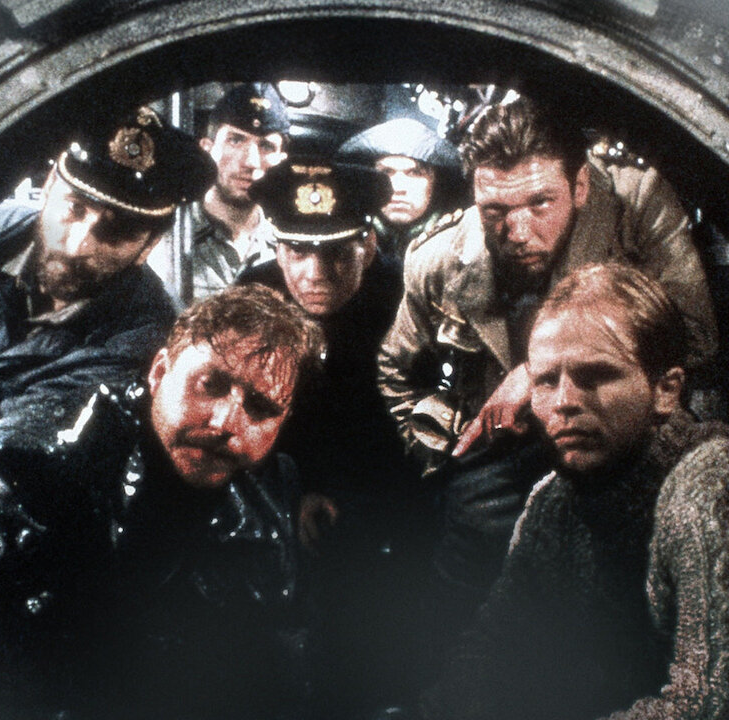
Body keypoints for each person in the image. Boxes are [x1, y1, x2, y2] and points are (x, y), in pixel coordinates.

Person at [0, 285, 325, 720]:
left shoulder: (264, 502)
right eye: (210, 384)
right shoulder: (27, 460)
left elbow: (273, 671)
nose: (225, 422)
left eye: (261, 407)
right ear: (160, 371)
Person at [377, 96, 718, 609]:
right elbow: (395, 369)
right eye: (495, 211)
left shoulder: (635, 207)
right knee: (462, 593)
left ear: (580, 186)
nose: (518, 233)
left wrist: (533, 371)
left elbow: (697, 334)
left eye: (540, 204)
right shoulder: (439, 258)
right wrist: (443, 461)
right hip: (500, 462)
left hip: (623, 441)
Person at [0, 106, 216, 523]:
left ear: (149, 246)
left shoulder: (146, 337)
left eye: (116, 231)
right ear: (48, 187)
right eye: (74, 208)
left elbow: (6, 439)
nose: (77, 245)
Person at [421, 263, 729, 720]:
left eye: (595, 376)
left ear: (666, 390)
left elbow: (706, 705)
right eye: (546, 381)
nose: (564, 401)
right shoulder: (554, 501)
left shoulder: (710, 489)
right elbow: (492, 649)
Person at [240, 154, 433, 716]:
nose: (315, 273)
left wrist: (349, 498)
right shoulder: (253, 296)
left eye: (336, 253)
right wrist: (290, 492)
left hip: (388, 519)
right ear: (277, 248)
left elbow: (427, 429)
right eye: (298, 251)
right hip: (277, 509)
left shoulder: (408, 300)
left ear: (368, 245)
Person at [149, 82, 290, 304]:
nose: (251, 162)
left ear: (281, 161)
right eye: (236, 140)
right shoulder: (163, 238)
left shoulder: (289, 249)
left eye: (266, 147)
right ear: (207, 148)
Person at [337, 116, 467, 261]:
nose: (398, 188)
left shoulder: (459, 243)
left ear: (435, 183)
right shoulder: (346, 241)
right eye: (386, 172)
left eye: (415, 173)